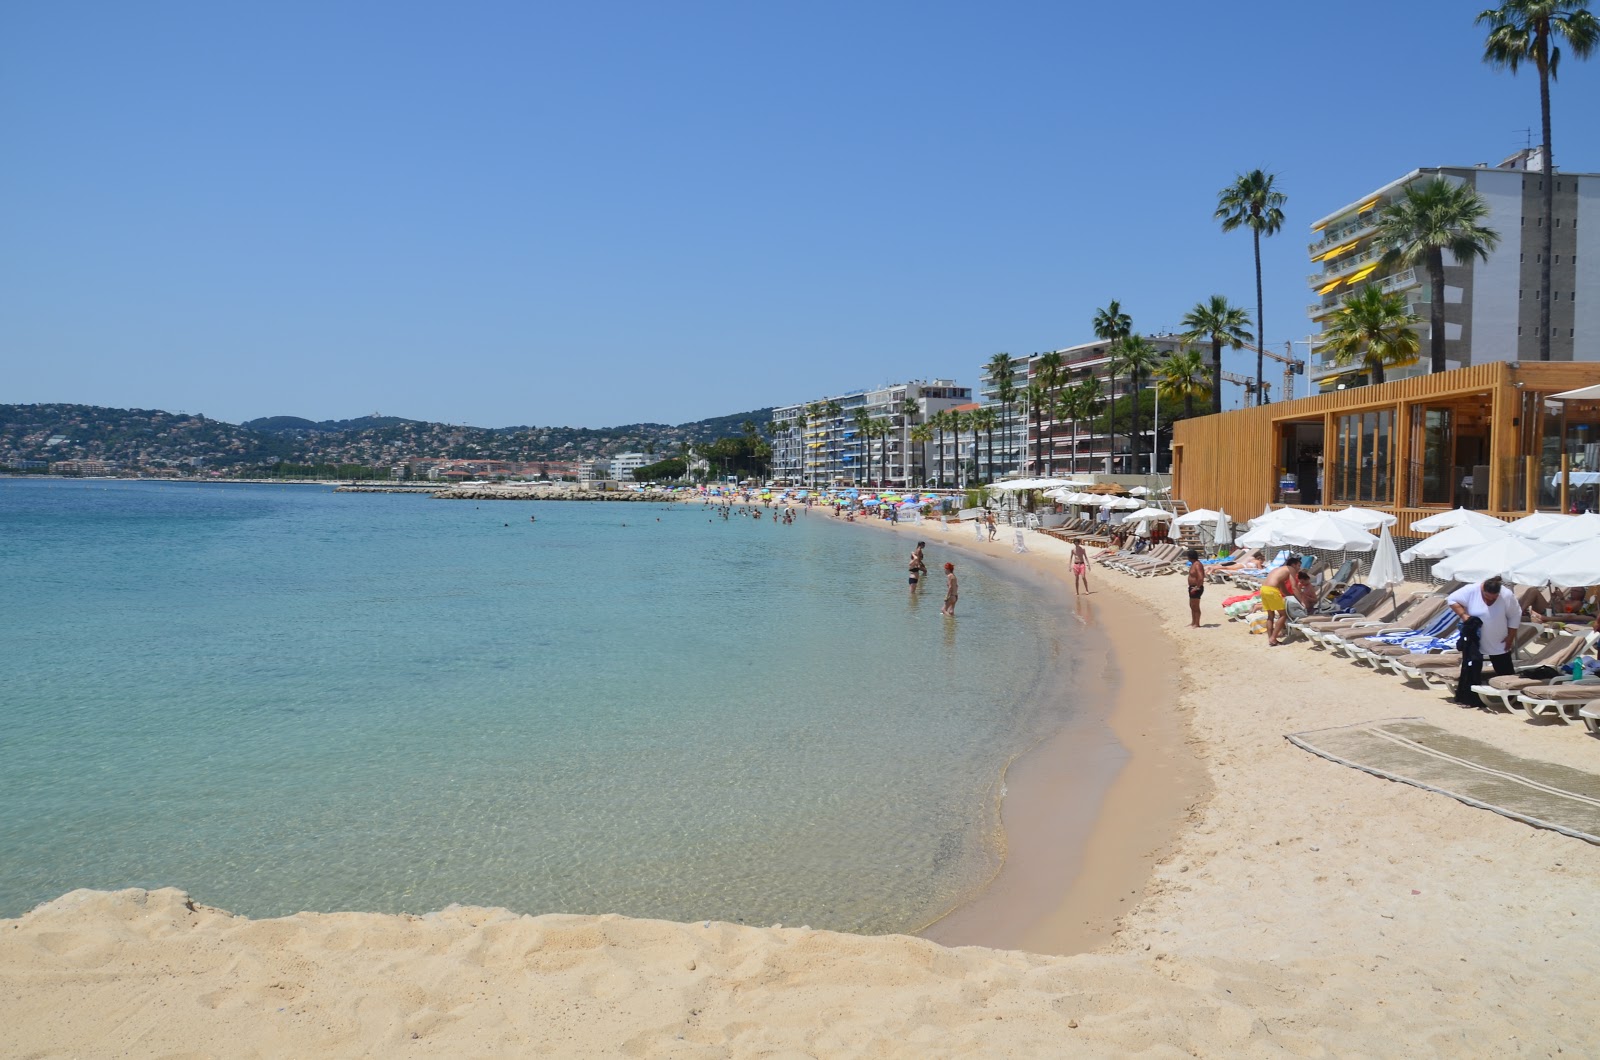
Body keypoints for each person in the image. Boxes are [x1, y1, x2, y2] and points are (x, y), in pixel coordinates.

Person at [1449, 575, 1521, 707]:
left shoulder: (1506, 595)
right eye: (1487, 597)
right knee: (1472, 666)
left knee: (1504, 666)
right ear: (1482, 589)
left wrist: (1510, 636)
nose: (1490, 601)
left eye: (1494, 598)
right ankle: (1470, 698)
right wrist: (1463, 615)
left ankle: (1513, 697)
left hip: (1499, 638)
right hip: (1475, 638)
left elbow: (1515, 615)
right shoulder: (1471, 590)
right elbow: (1451, 599)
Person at [1259, 555, 1301, 646]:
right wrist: (1301, 600)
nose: (1299, 568)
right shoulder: (1291, 569)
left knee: (1270, 615)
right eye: (1298, 566)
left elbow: (1284, 590)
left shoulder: (1280, 570)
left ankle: (1270, 638)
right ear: (1293, 565)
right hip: (1271, 590)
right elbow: (1294, 587)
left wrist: (1292, 596)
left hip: (1263, 589)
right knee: (1283, 615)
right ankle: (1273, 638)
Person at [1185, 548, 1205, 627]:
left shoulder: (1197, 564)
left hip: (1196, 588)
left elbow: (1201, 577)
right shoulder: (1193, 564)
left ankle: (1197, 623)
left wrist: (1197, 587)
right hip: (1192, 587)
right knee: (1192, 605)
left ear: (1190, 557)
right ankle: (1193, 622)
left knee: (1196, 606)